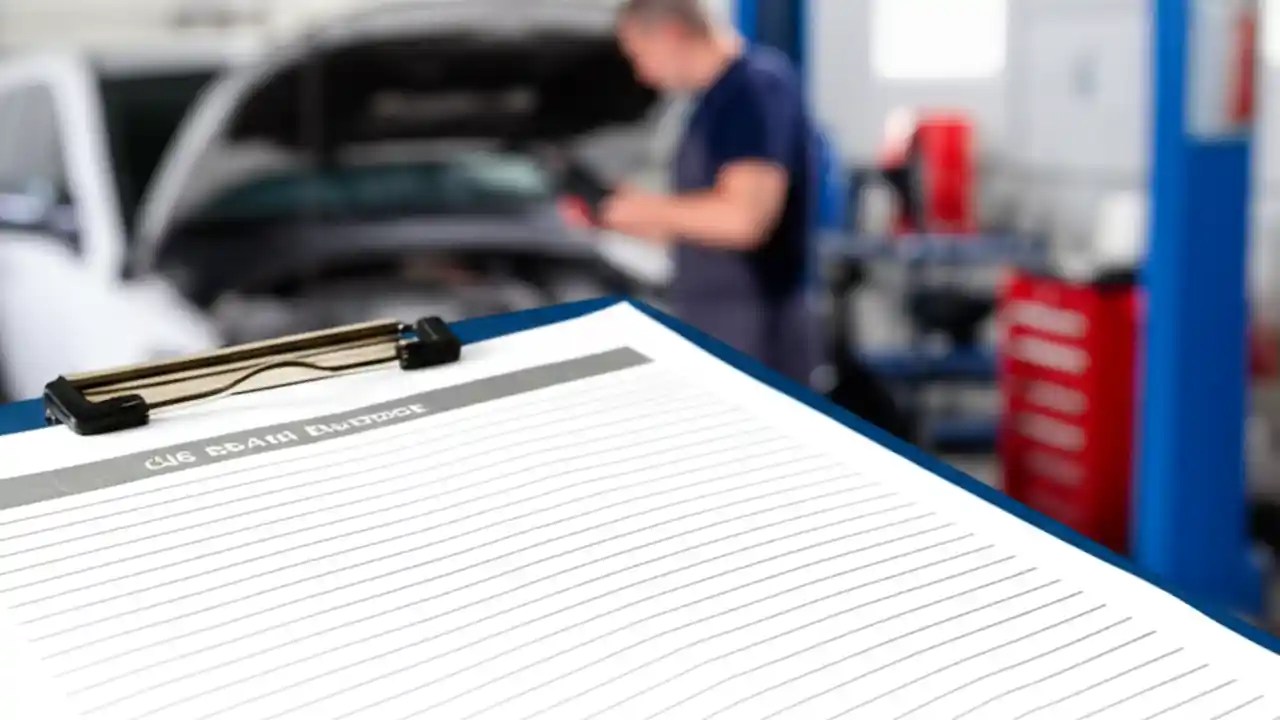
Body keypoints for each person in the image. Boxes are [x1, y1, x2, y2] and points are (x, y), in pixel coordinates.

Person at [603, 0, 821, 385]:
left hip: (756, 332)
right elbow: (703, 224)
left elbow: (745, 220)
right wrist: (630, 219)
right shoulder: (713, 101)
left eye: (639, 56)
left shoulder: (753, 89)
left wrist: (648, 211)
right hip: (720, 324)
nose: (642, 74)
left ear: (671, 35)